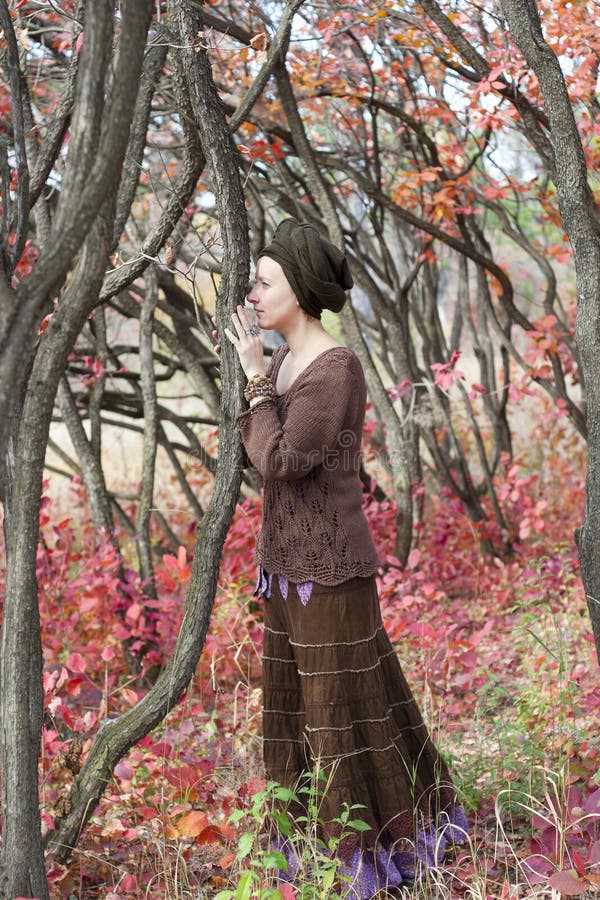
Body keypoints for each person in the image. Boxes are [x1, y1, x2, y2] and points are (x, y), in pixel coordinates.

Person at [213, 218, 467, 897]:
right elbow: (268, 452)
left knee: (344, 709)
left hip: (330, 572)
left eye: (265, 282)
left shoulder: (334, 368)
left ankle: (374, 855)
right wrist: (262, 381)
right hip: (288, 568)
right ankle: (307, 847)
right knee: (303, 710)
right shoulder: (287, 363)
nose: (254, 293)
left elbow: (280, 459)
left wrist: (254, 384)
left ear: (299, 288)